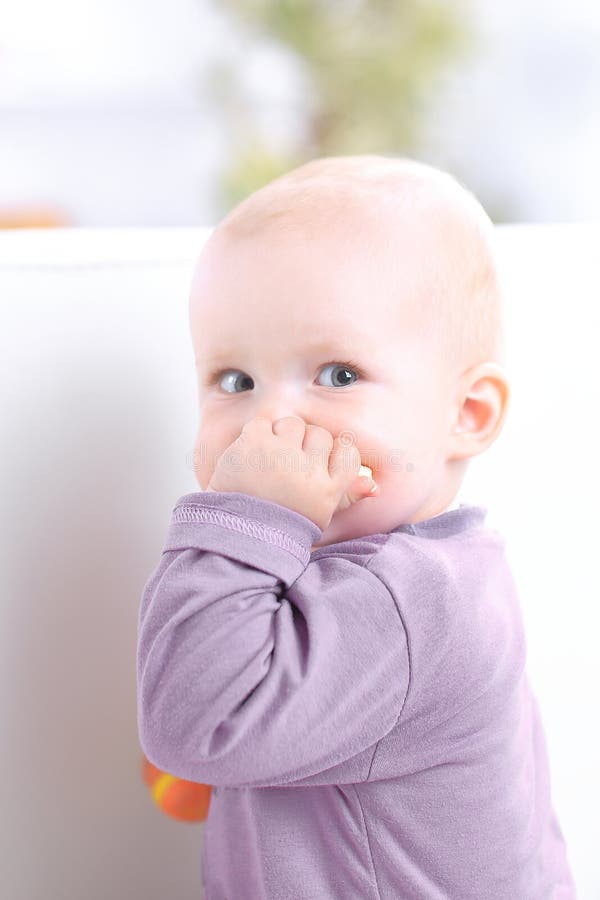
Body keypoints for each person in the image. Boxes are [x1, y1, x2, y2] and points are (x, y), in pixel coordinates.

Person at [136, 155, 576, 898]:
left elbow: (195, 724)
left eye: (337, 374)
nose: (271, 420)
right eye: (234, 381)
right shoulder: (398, 573)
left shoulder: (407, 606)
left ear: (465, 414)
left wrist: (246, 516)